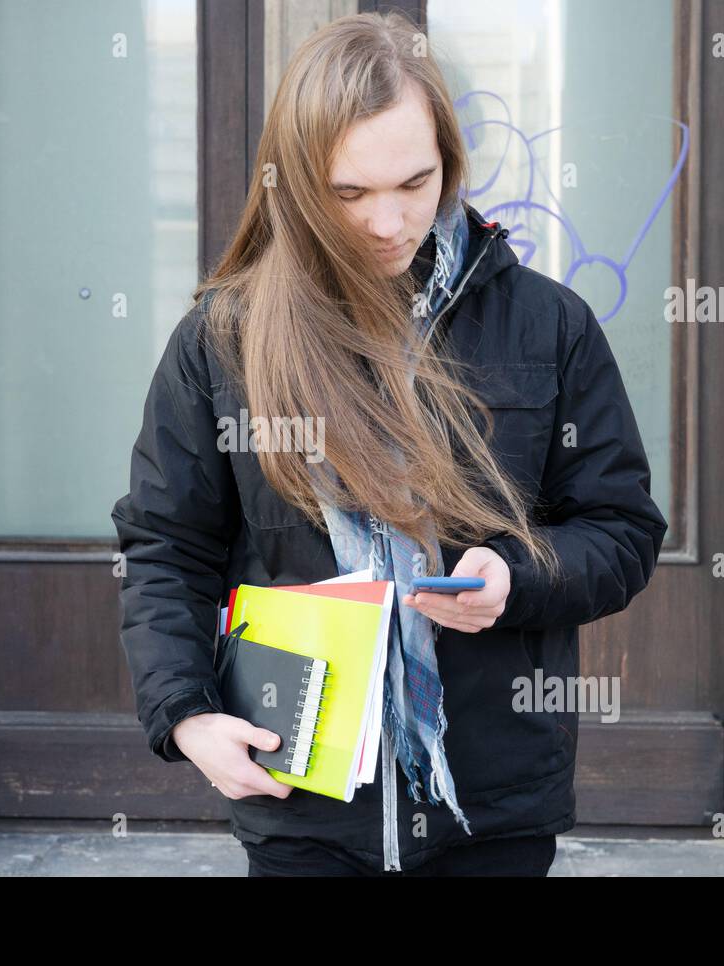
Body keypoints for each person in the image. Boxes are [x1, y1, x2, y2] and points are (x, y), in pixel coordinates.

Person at [110, 11, 667, 877]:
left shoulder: (550, 326)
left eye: (415, 181)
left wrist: (518, 578)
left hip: (490, 811)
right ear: (295, 182)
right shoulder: (224, 339)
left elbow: (622, 531)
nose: (387, 222)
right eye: (350, 193)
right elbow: (166, 548)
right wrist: (185, 714)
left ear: (449, 157)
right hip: (301, 808)